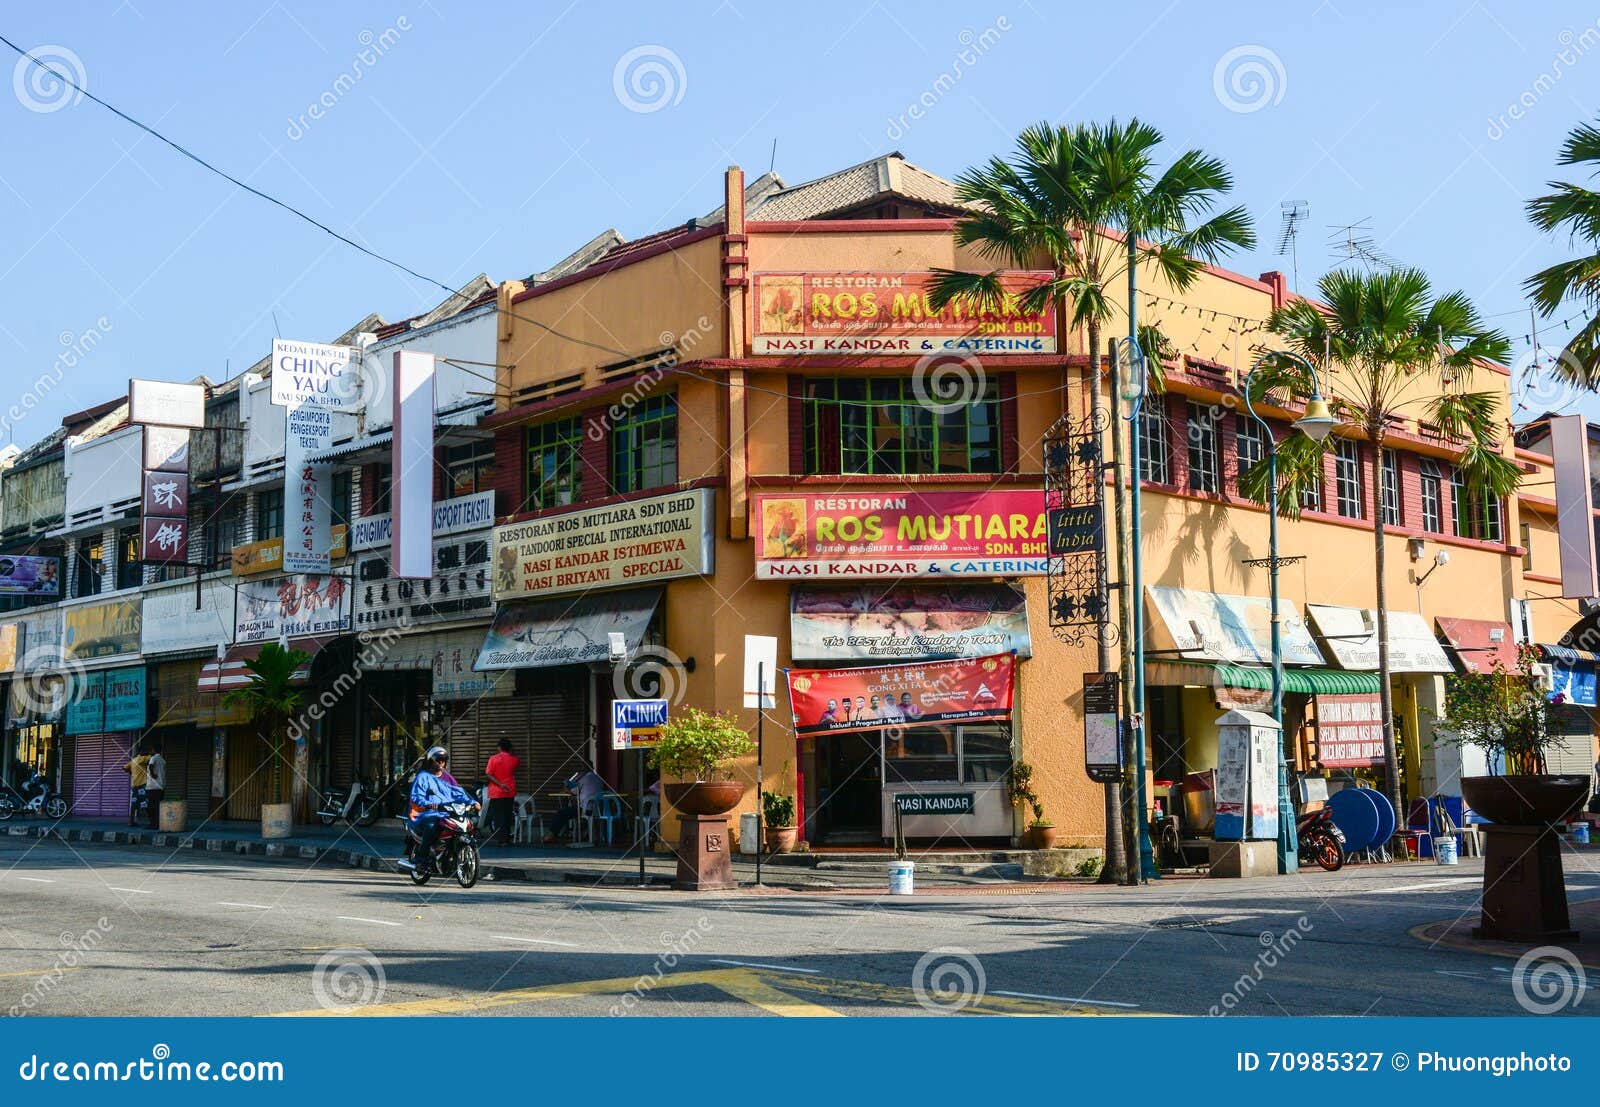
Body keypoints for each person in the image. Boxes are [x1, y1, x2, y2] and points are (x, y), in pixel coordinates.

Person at [400, 746, 472, 873]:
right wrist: (429, 804)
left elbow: (459, 792)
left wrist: (472, 802)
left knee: (467, 824)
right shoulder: (422, 777)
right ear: (430, 762)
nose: (440, 763)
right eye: (437, 760)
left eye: (443, 760)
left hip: (446, 813)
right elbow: (416, 797)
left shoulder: (448, 778)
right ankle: (421, 861)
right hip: (426, 813)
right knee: (431, 827)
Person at [544, 765, 605, 843]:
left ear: (582, 772)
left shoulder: (584, 779)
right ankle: (586, 832)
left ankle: (552, 836)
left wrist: (566, 785)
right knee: (571, 812)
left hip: (585, 809)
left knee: (561, 813)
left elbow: (573, 792)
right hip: (598, 810)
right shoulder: (599, 779)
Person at [483, 739, 519, 848]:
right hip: (510, 790)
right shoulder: (515, 759)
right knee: (508, 815)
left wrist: (500, 784)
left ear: (499, 747)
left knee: (498, 817)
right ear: (509, 748)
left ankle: (501, 840)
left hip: (496, 792)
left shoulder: (493, 759)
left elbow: (489, 774)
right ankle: (507, 838)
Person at [121, 745, 150, 827]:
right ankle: (152, 821)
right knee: (146, 802)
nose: (146, 752)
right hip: (142, 785)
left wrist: (131, 773)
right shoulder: (141, 758)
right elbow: (152, 759)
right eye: (145, 750)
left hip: (134, 786)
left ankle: (131, 821)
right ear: (141, 751)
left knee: (134, 804)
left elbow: (124, 767)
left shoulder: (133, 760)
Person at [144, 741, 166, 829]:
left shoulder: (153, 758)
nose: (150, 751)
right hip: (161, 786)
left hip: (152, 787)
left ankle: (153, 823)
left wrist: (152, 774)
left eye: (151, 749)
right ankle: (157, 823)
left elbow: (150, 765)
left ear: (154, 750)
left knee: (150, 807)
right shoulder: (163, 760)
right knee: (158, 807)